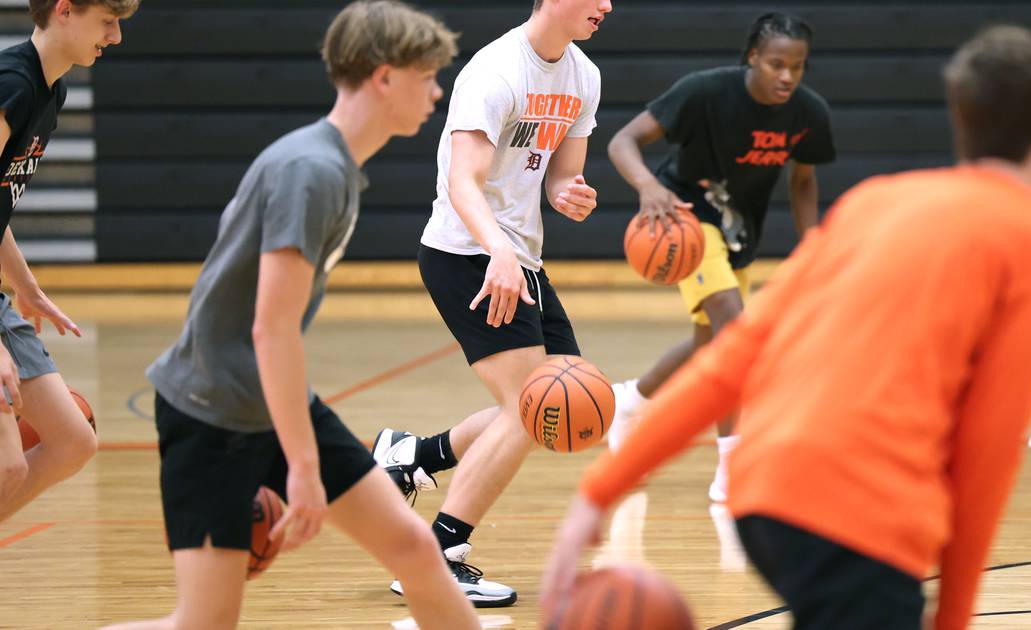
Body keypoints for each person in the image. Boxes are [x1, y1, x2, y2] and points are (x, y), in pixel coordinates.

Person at [541, 25, 1031, 630]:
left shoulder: (876, 201)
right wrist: (955, 612)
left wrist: (601, 490)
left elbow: (740, 357)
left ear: (963, 119)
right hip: (862, 522)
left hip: (765, 499)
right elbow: (985, 450)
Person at [101, 3, 480, 629]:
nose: (438, 91)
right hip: (211, 413)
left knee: (415, 550)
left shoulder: (332, 165)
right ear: (385, 78)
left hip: (270, 403)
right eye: (428, 76)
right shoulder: (312, 171)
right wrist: (302, 468)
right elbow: (270, 327)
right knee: (200, 624)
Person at [371, 0, 609, 607]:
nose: (607, 5)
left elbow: (559, 174)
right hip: (465, 254)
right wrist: (497, 251)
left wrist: (567, 194)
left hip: (519, 258)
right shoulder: (496, 70)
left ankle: (411, 456)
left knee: (559, 409)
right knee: (533, 407)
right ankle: (438, 557)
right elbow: (461, 180)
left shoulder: (584, 76)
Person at [604, 12, 835, 503]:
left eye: (797, 66)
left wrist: (813, 245)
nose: (787, 76)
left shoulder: (808, 112)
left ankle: (632, 400)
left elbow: (804, 181)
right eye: (776, 64)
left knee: (711, 343)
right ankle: (734, 464)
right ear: (753, 57)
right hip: (684, 218)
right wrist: (647, 187)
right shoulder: (703, 92)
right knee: (736, 332)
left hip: (739, 231)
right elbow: (622, 140)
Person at [0, 0, 137, 523]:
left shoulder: (52, 90)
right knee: (9, 467)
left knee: (72, 440)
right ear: (64, 11)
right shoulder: (13, 83)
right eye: (108, 21)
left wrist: (25, 286)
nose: (117, 37)